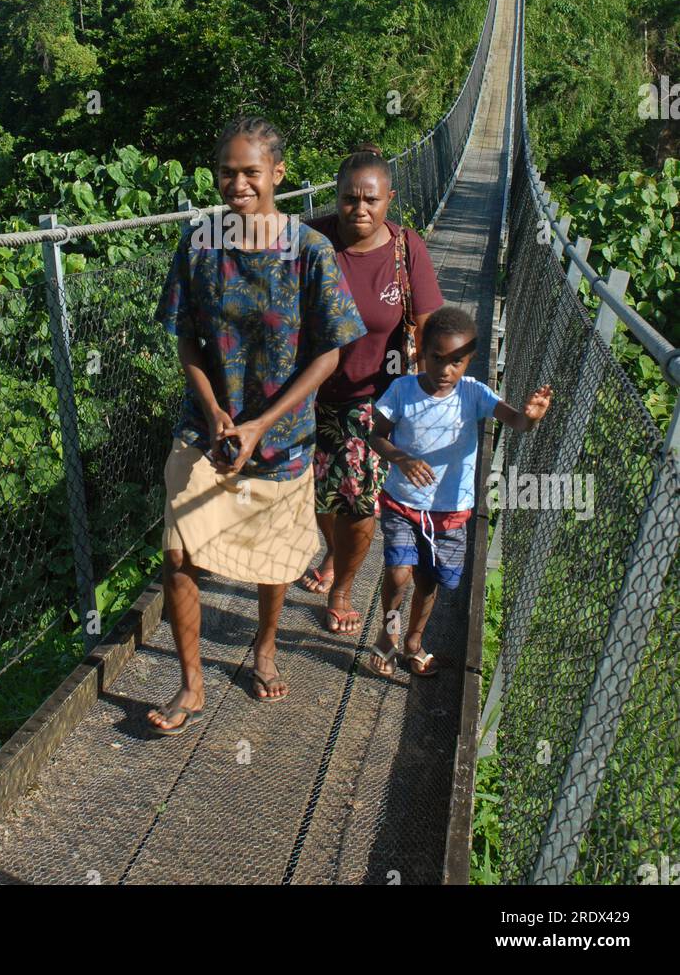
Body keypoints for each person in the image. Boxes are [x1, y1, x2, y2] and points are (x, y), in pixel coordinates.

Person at [147, 116, 367, 734]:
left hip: (283, 435)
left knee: (274, 558)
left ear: (277, 173)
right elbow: (186, 339)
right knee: (178, 553)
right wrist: (216, 410)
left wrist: (264, 422)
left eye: (251, 171)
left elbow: (330, 349)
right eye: (227, 171)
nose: (238, 184)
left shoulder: (310, 250)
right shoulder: (199, 244)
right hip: (206, 431)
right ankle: (190, 686)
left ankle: (265, 649)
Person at [301, 145, 443, 634]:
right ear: (335, 197)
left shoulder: (406, 249)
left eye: (370, 200)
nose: (359, 210)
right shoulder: (309, 239)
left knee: (358, 502)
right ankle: (333, 553)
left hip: (373, 397)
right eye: (348, 199)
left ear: (389, 200)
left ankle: (341, 585)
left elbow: (427, 327)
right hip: (307, 391)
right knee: (316, 496)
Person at [366, 304, 552, 677]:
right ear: (421, 350)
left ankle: (414, 642)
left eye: (457, 362)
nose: (446, 371)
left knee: (430, 581)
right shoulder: (402, 391)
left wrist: (529, 418)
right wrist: (400, 458)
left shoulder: (473, 394)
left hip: (451, 511)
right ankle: (388, 635)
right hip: (403, 503)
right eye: (437, 358)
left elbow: (513, 419)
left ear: (470, 361)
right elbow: (376, 435)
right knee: (398, 573)